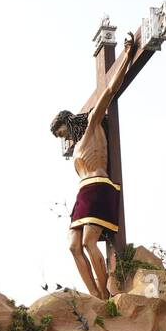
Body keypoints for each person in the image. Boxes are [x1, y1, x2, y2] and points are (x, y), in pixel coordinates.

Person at [50, 34, 137, 299]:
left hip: (99, 186)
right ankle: (95, 294)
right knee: (73, 246)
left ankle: (105, 293)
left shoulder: (91, 124)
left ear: (67, 120)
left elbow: (109, 91)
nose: (62, 137)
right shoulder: (76, 145)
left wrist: (127, 55)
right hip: (82, 193)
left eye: (61, 131)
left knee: (89, 242)